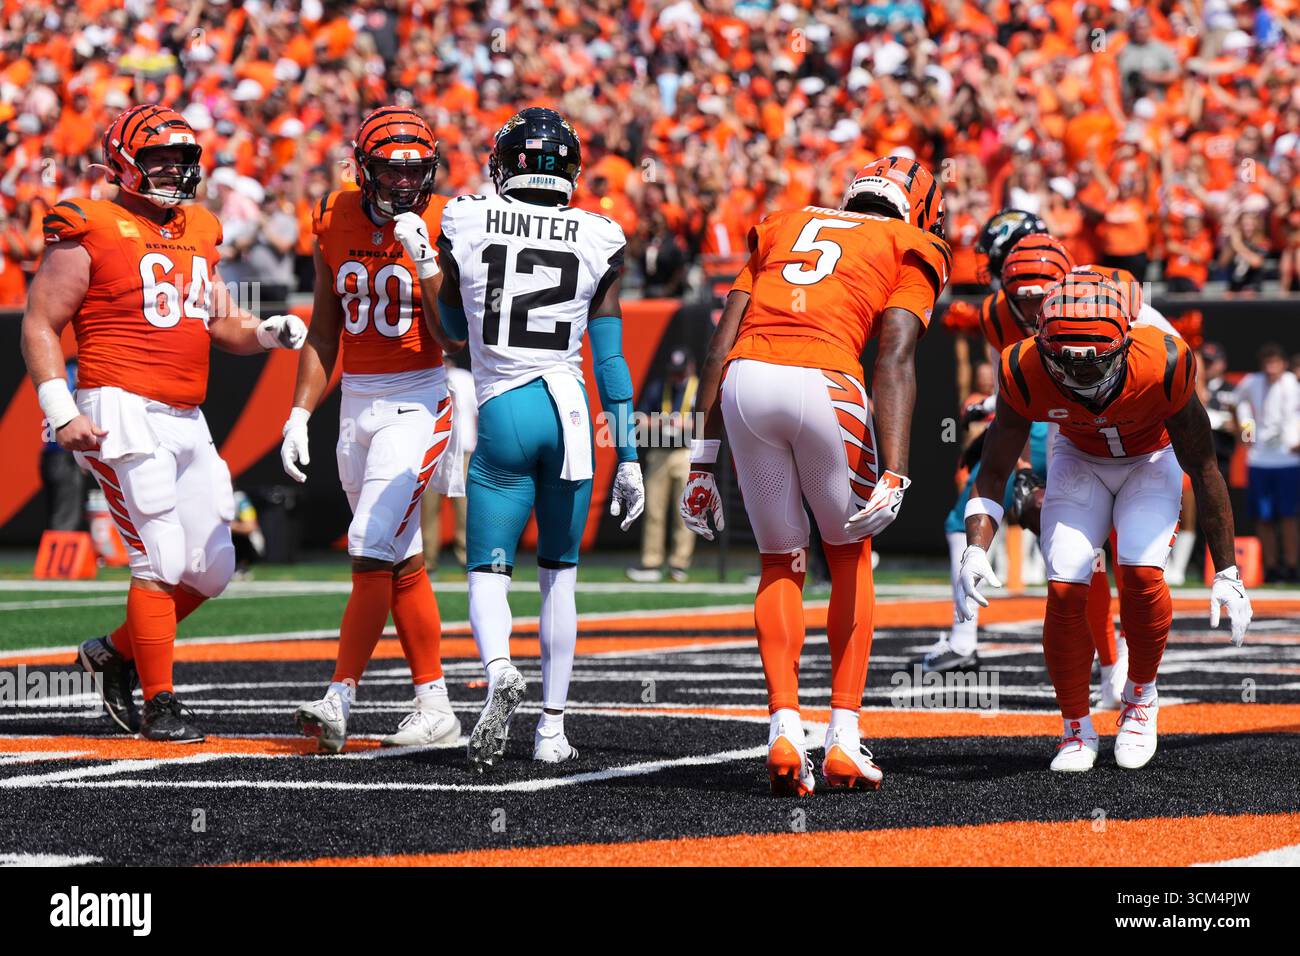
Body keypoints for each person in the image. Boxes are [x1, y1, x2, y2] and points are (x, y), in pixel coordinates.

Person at [22, 104, 307, 742]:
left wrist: (264, 331)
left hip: (185, 413)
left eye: (180, 159)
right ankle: (160, 701)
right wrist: (59, 410)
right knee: (160, 558)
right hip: (117, 404)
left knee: (213, 567)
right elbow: (41, 322)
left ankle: (112, 653)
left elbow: (221, 320)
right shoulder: (89, 221)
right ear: (124, 161)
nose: (171, 170)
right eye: (157, 158)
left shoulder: (200, 227)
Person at [682, 156, 951, 795]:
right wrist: (897, 471)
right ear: (916, 208)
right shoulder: (909, 242)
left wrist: (701, 458)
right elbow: (896, 357)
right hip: (827, 381)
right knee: (850, 554)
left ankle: (781, 726)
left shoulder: (782, 223)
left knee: (780, 561)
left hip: (748, 381)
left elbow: (720, 345)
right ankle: (843, 740)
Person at [958, 272, 1253, 772]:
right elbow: (995, 468)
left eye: (1095, 361)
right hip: (1078, 457)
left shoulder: (1166, 361)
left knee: (1140, 571)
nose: (1082, 376)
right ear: (1042, 345)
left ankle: (1139, 698)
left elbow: (1204, 468)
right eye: (1067, 362)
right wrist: (975, 547)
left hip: (1149, 460)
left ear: (1126, 339)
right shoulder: (1022, 367)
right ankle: (1075, 726)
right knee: (1066, 581)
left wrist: (1227, 572)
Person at [433, 107, 644, 770]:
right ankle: (552, 730)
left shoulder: (465, 217)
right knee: (560, 579)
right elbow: (609, 360)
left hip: (502, 409)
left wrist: (425, 265)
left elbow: (451, 327)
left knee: (487, 570)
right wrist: (631, 455)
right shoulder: (599, 234)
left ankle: (500, 671)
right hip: (570, 417)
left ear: (506, 165)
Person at [279, 107, 463, 752]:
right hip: (357, 399)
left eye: (417, 170)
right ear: (365, 167)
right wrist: (300, 410)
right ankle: (435, 705)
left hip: (420, 395)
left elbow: (458, 341)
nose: (406, 183)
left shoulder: (448, 221)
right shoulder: (332, 214)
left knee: (369, 542)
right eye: (392, 168)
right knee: (402, 558)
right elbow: (325, 328)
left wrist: (429, 264)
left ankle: (339, 697)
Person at [627, 348, 698, 583]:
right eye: (674, 373)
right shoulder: (659, 386)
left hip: (686, 453)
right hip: (659, 451)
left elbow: (708, 421)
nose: (676, 378)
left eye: (680, 373)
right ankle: (651, 562)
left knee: (685, 512)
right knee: (654, 509)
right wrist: (663, 422)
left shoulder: (698, 388)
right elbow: (639, 418)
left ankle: (679, 563)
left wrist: (686, 425)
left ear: (690, 368)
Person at [1233, 343, 1300, 583]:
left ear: (1283, 364)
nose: (1272, 368)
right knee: (1263, 516)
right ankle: (1271, 568)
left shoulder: (1293, 383)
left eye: (1276, 363)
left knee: (1289, 516)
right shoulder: (1252, 382)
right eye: (1267, 363)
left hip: (1288, 459)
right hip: (1260, 459)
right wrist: (1246, 431)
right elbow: (1238, 402)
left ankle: (1292, 566)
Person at [422, 352, 477, 571]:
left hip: (462, 451)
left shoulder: (464, 379)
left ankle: (466, 555)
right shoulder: (425, 379)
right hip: (432, 451)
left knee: (464, 506)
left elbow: (479, 410)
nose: (444, 363)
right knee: (428, 507)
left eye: (446, 359)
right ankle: (428, 559)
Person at [40, 358, 86, 532]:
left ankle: (54, 553)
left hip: (50, 454)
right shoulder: (68, 383)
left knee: (57, 511)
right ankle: (60, 558)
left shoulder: (53, 385)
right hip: (63, 455)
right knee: (66, 515)